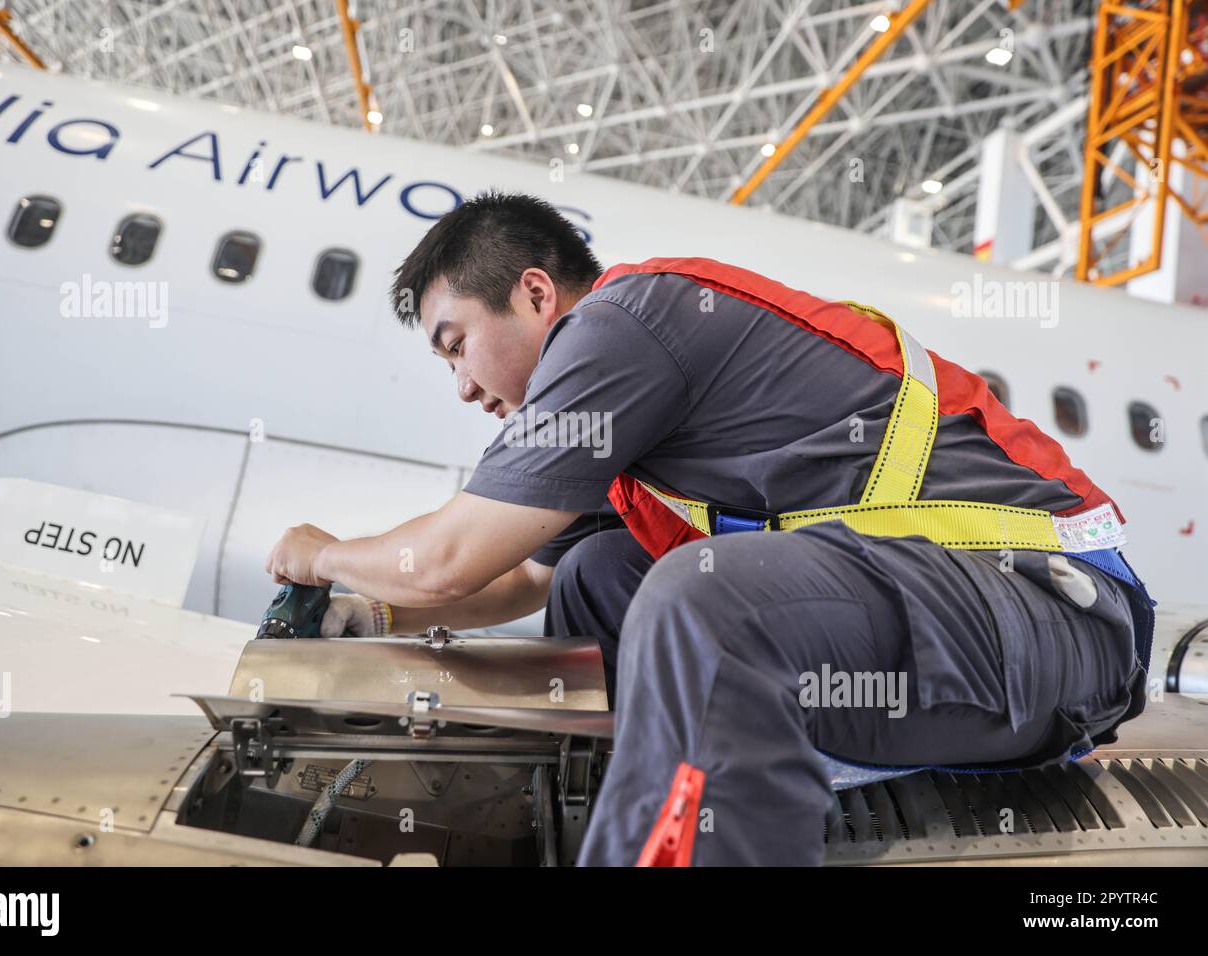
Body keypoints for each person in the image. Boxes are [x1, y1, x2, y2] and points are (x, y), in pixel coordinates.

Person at [265, 191, 1155, 866]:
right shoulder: (629, 438)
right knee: (600, 573)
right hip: (961, 627)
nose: (461, 386)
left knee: (708, 600)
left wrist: (321, 552)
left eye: (456, 343)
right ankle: (634, 825)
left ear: (537, 294)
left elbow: (451, 557)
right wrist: (366, 614)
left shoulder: (621, 325)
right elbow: (521, 577)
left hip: (1055, 611)